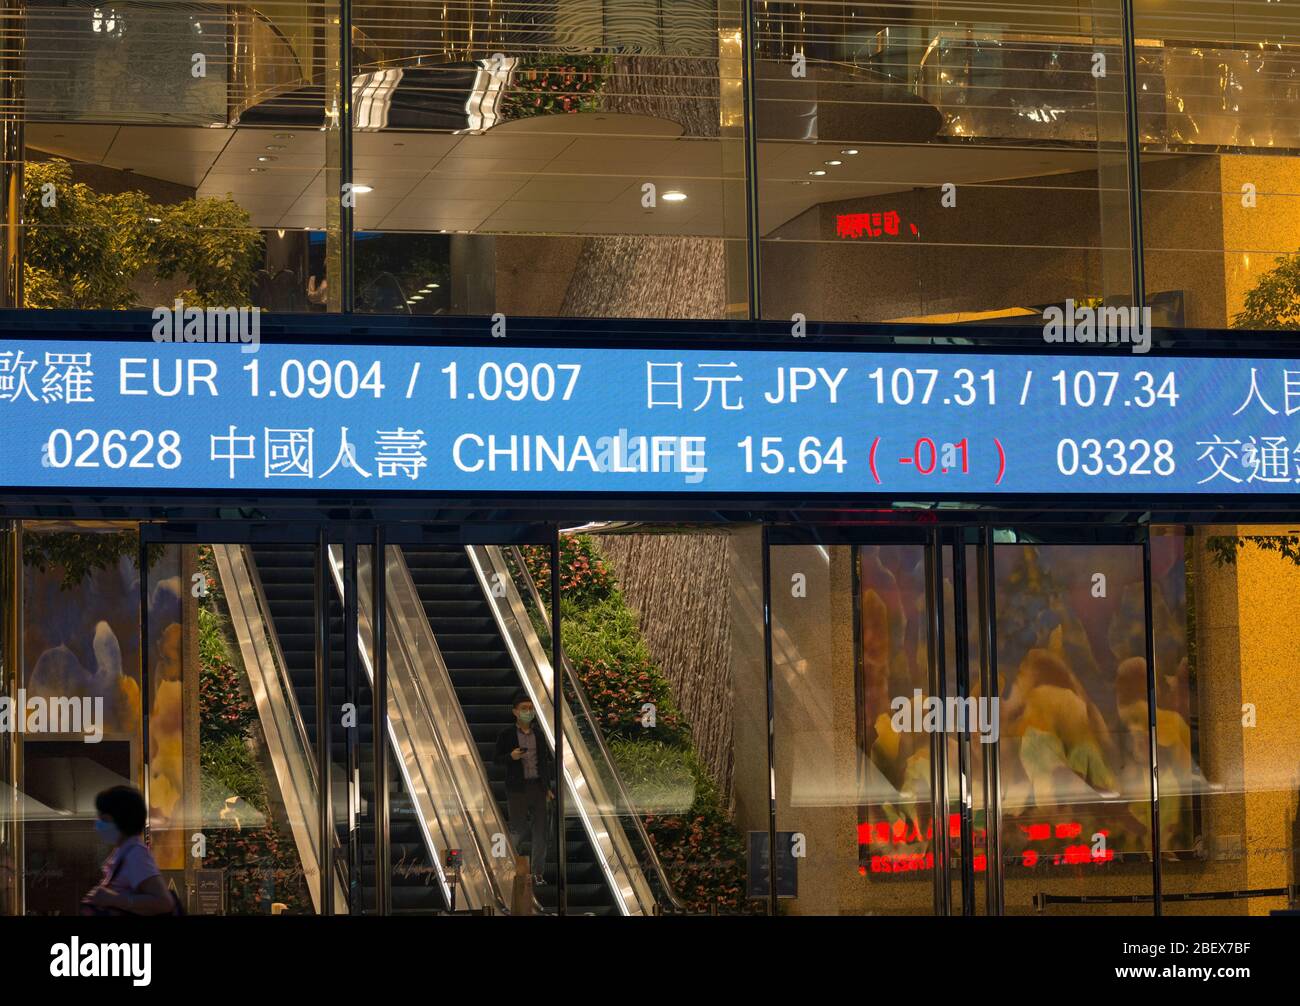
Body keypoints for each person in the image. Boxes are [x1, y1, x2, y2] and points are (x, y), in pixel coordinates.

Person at [81, 785, 175, 916]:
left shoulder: (135, 854)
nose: (97, 825)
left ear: (121, 820)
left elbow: (164, 902)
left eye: (104, 819)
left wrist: (113, 899)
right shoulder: (124, 851)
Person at [493, 691, 553, 886]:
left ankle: (537, 873)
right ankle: (504, 866)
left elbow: (544, 762)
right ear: (515, 712)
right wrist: (511, 756)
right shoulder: (507, 735)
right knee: (518, 829)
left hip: (538, 786)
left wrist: (548, 787)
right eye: (524, 709)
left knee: (541, 831)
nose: (528, 712)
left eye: (531, 708)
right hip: (517, 788)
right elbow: (496, 760)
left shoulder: (539, 735)